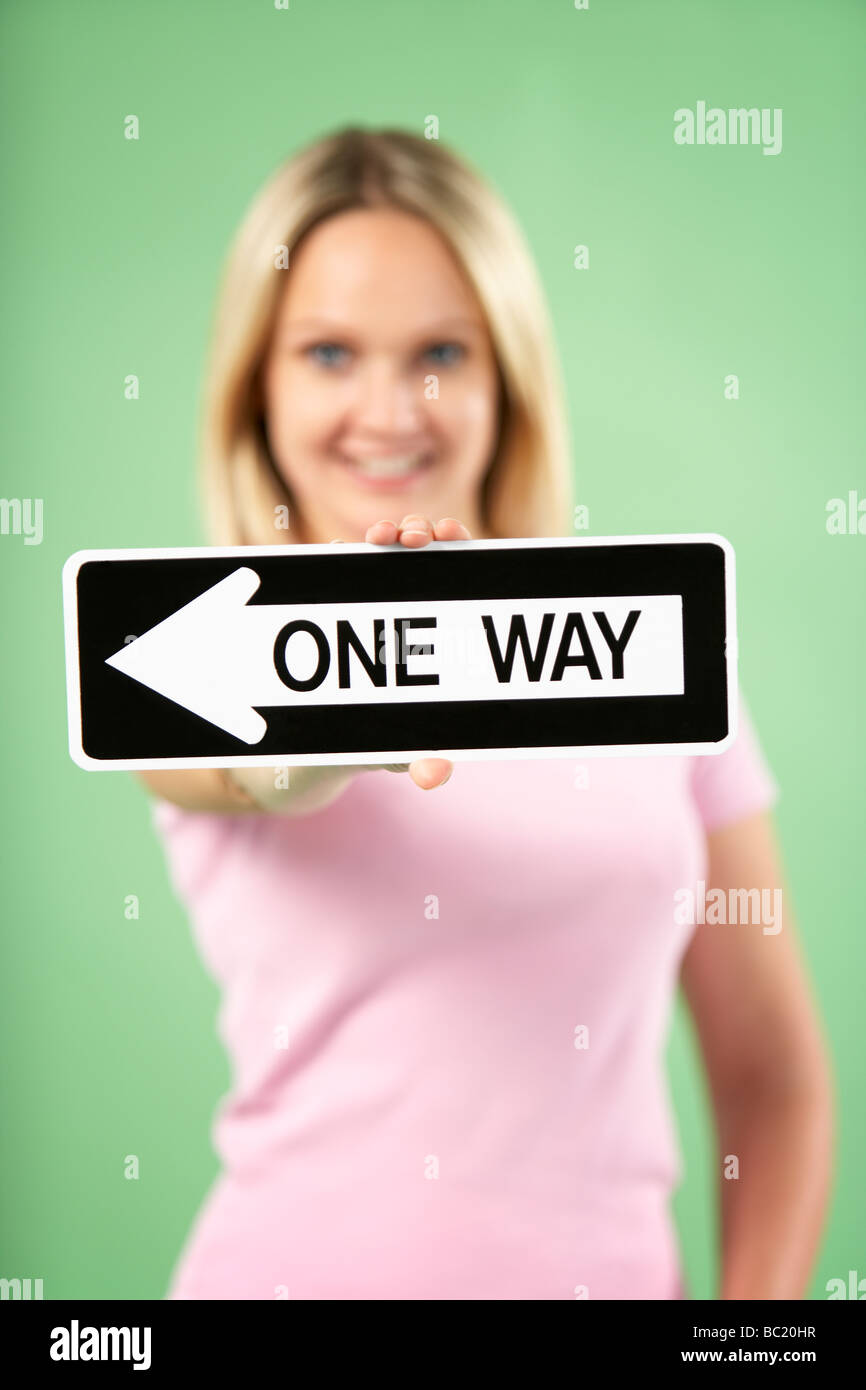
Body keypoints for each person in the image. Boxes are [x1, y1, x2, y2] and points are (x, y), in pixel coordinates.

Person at [137, 127, 833, 1300]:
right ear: (256, 384)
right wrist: (348, 708)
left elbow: (768, 1074)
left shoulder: (651, 650)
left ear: (505, 375)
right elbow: (253, 771)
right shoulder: (197, 652)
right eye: (325, 353)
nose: (387, 408)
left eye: (440, 352)